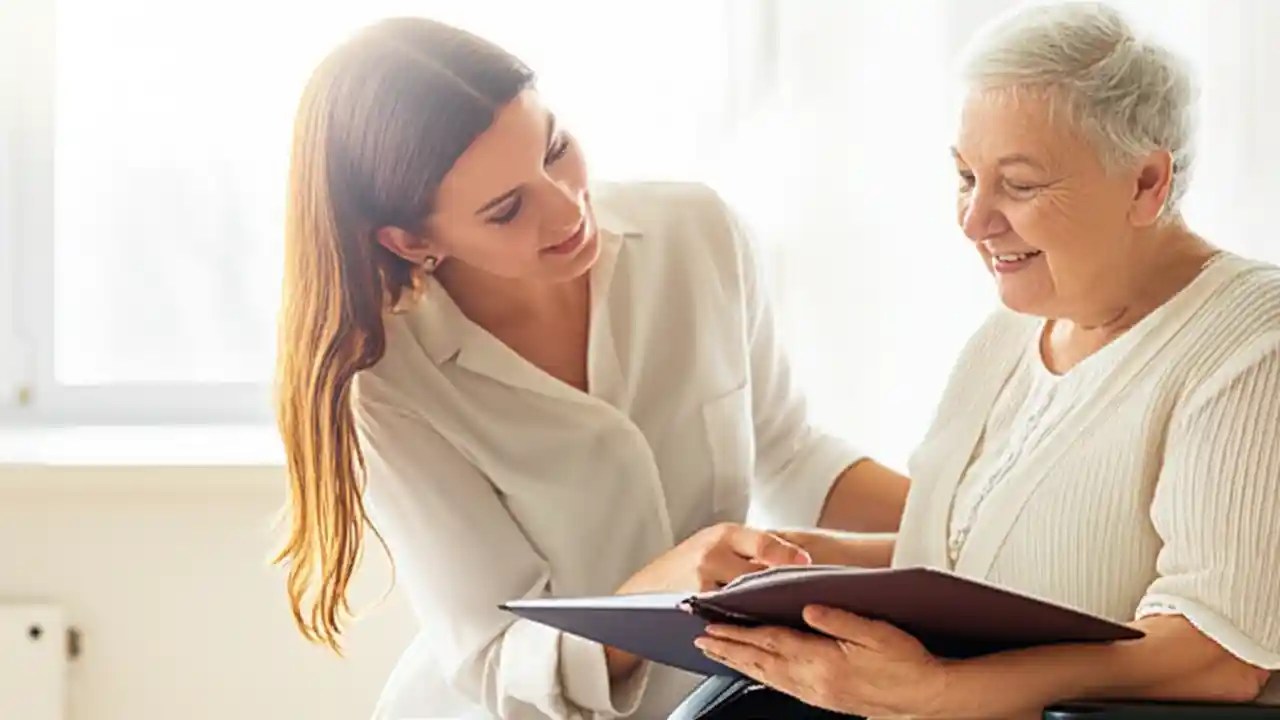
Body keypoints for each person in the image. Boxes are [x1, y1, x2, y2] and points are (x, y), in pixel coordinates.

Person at [271, 17, 908, 720]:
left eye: (555, 149)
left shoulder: (696, 232)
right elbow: (494, 658)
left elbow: (792, 455)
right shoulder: (385, 382)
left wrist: (981, 522)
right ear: (414, 240)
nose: (566, 205)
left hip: (715, 701)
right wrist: (652, 596)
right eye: (507, 209)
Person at [694, 3, 1279, 717]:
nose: (973, 221)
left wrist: (940, 695)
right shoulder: (1008, 335)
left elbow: (1218, 655)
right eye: (966, 176)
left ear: (1146, 183)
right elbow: (976, 560)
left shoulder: (1252, 344)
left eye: (1021, 184)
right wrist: (801, 567)